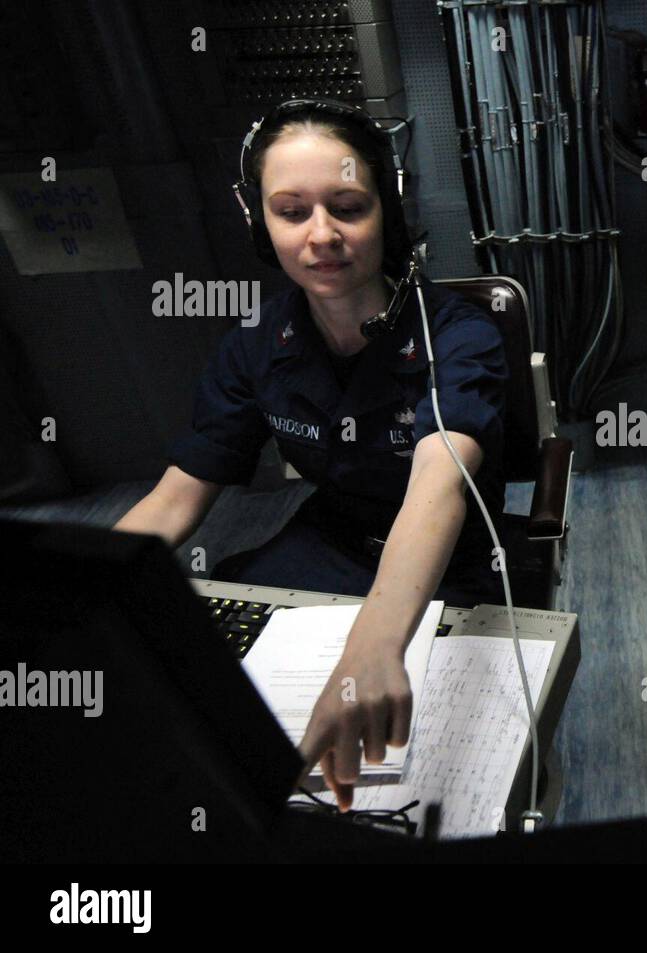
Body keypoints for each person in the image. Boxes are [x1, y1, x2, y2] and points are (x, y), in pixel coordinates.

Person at [114, 99, 508, 810]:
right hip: (328, 542)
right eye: (291, 211)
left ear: (385, 208)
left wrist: (375, 641)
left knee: (426, 764)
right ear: (259, 223)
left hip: (450, 558)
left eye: (348, 207)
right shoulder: (255, 345)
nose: (322, 235)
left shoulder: (459, 336)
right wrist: (80, 592)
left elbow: (438, 486)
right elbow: (177, 496)